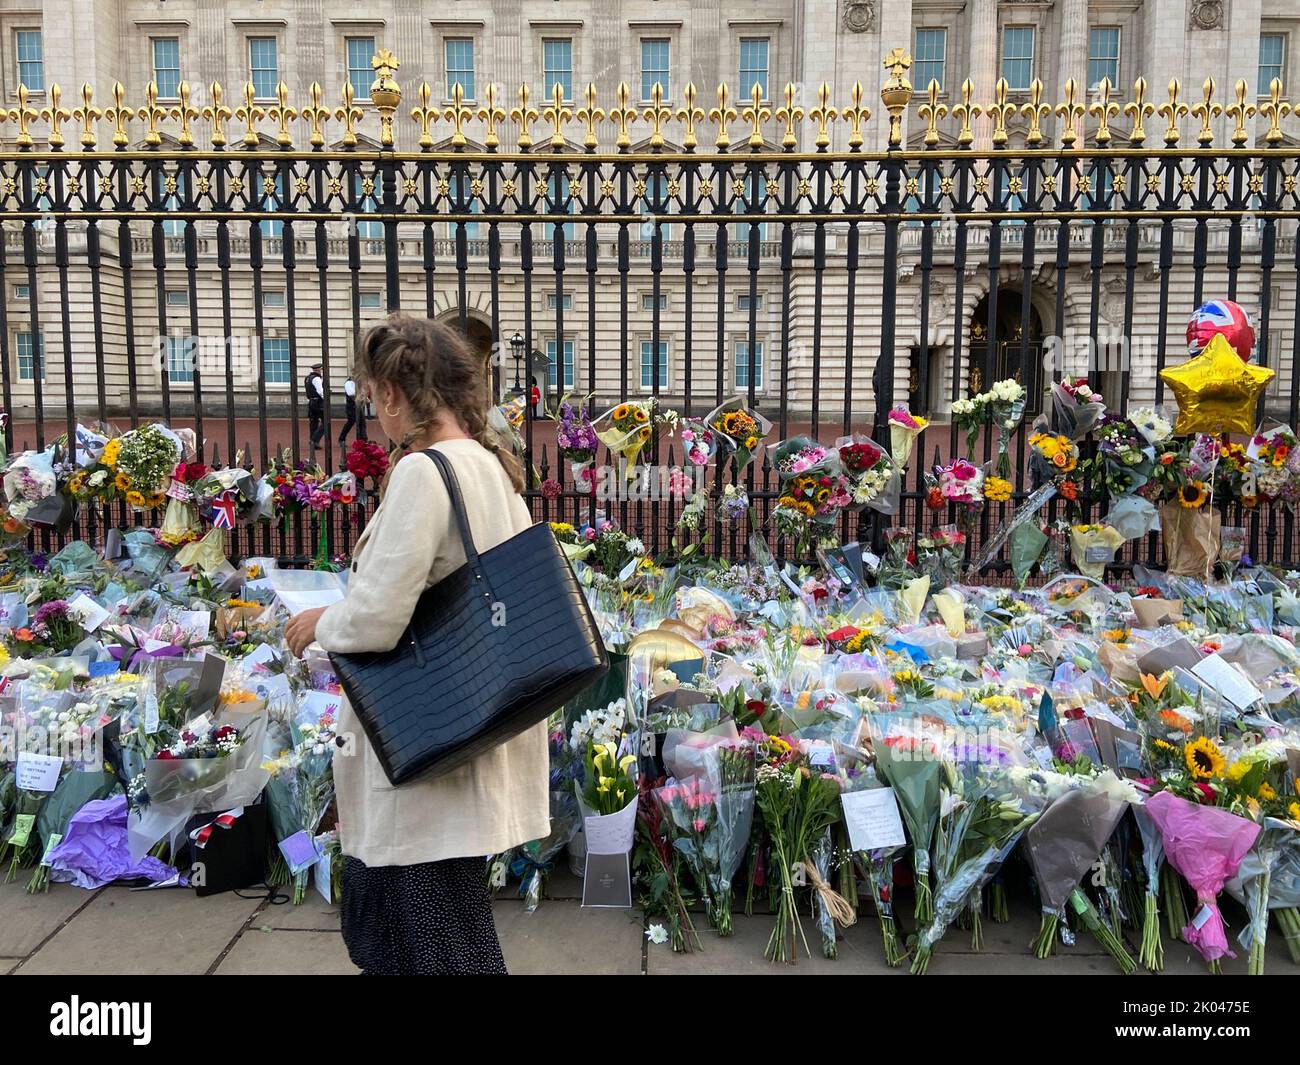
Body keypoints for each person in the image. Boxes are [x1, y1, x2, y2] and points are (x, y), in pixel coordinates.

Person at [284, 316, 547, 976]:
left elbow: (376, 618)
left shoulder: (425, 474)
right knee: (431, 937)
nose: (373, 415)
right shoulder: (489, 465)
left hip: (421, 758)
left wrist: (319, 621)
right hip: (461, 739)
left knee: (435, 947)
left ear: (395, 394)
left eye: (373, 399)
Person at [337, 375, 367, 449]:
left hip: (359, 405)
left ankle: (363, 439)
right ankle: (341, 438)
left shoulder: (358, 384)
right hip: (351, 406)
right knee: (350, 422)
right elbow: (351, 393)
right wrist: (360, 392)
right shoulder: (349, 383)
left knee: (362, 422)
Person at [305, 362, 326, 452]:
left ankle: (314, 442)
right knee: (325, 422)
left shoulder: (307, 378)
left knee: (313, 422)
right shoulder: (316, 379)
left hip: (311, 401)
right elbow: (320, 391)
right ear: (318, 370)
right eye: (321, 370)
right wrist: (326, 398)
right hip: (318, 402)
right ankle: (314, 440)